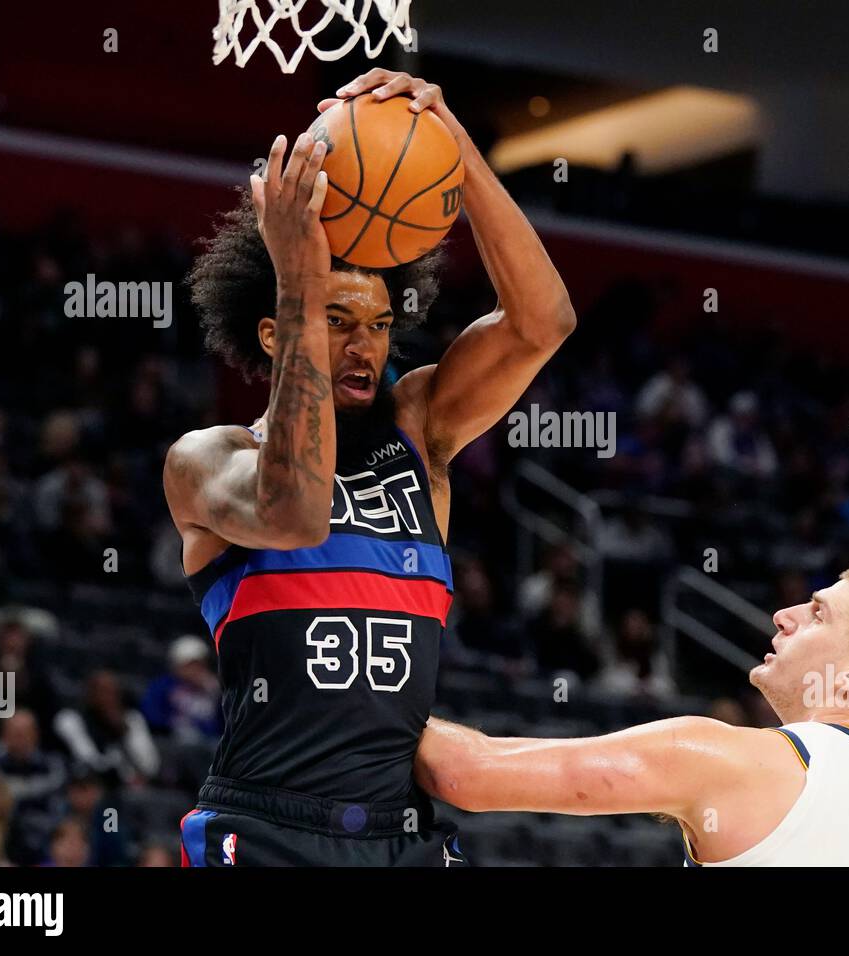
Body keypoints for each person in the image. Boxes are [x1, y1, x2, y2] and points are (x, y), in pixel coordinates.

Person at [166, 69, 574, 866]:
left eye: (381, 324)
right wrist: (297, 276)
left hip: (403, 831)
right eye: (336, 318)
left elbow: (541, 321)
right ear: (278, 329)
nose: (364, 346)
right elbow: (294, 514)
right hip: (268, 826)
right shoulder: (208, 460)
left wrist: (453, 147)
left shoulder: (422, 427)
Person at [417, 566, 849, 866]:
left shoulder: (734, 759)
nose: (783, 616)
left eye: (817, 614)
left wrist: (348, 682)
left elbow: (465, 773)